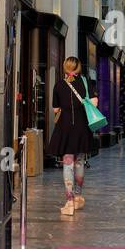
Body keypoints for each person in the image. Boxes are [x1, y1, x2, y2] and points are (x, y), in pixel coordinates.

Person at [46, 56, 96, 217]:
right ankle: (78, 195)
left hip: (65, 128)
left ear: (65, 67)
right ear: (79, 67)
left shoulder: (59, 85)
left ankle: (69, 201)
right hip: (82, 127)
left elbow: (55, 109)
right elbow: (94, 102)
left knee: (68, 163)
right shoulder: (85, 82)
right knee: (80, 161)